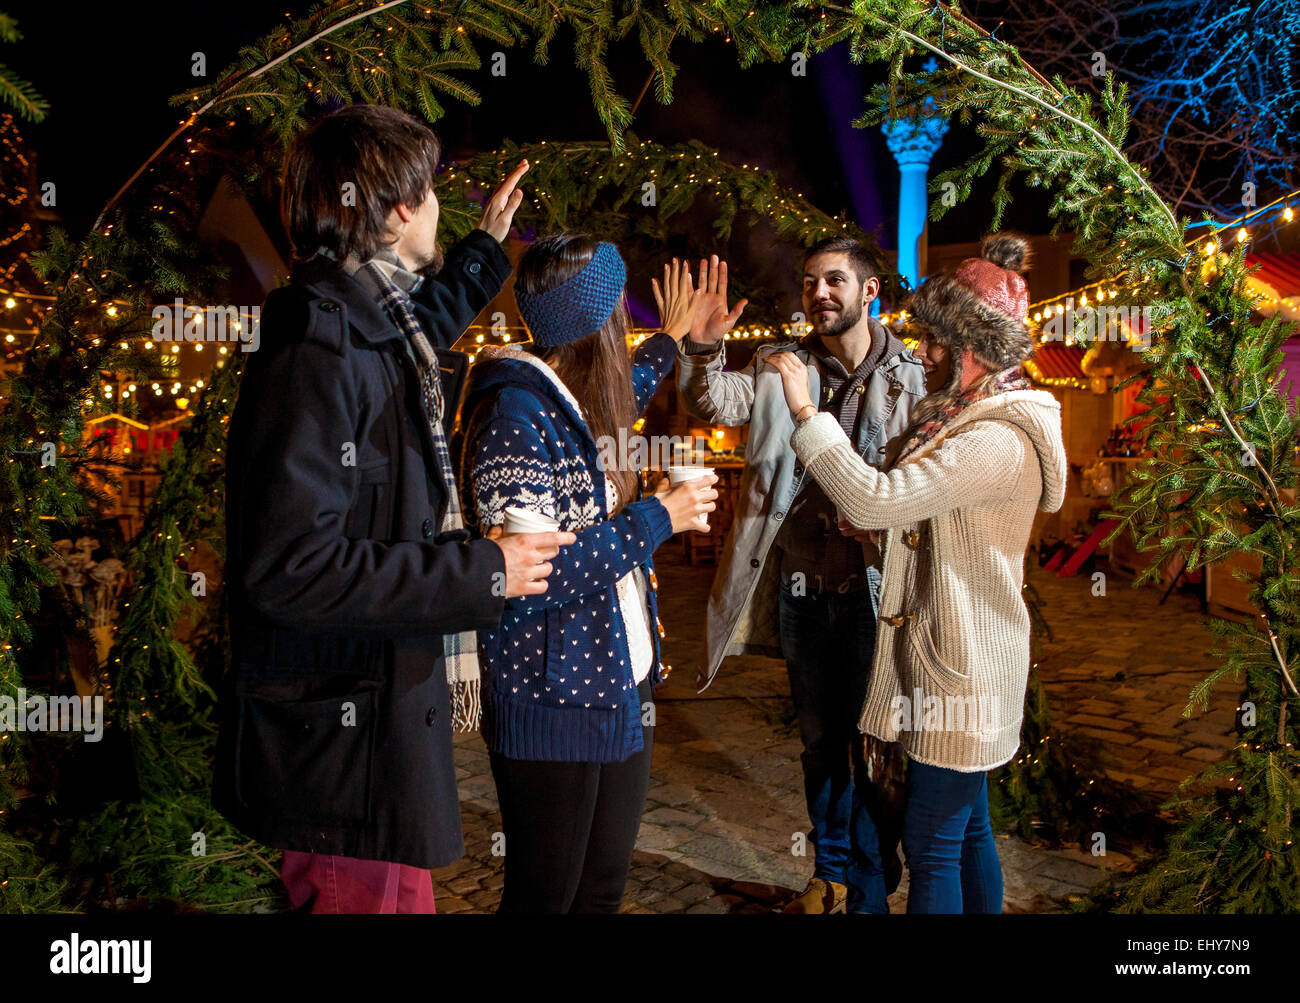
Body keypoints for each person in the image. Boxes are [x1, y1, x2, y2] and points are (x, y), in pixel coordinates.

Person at [214, 103, 576, 914]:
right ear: (401, 206)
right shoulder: (314, 346)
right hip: (341, 764)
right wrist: (482, 569)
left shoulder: (365, 321)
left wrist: (485, 245)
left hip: (374, 741)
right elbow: (289, 570)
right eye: (435, 189)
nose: (441, 205)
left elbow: (417, 327)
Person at [765, 232, 1067, 913]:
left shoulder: (992, 436)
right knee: (969, 833)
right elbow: (926, 520)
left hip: (960, 671)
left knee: (934, 842)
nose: (923, 354)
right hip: (963, 664)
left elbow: (876, 493)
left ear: (971, 348)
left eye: (935, 341)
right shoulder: (963, 419)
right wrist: (886, 529)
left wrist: (807, 413)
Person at [459, 235, 719, 913]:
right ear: (596, 327)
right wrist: (659, 517)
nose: (625, 331)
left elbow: (623, 388)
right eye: (620, 318)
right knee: (547, 897)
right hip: (552, 700)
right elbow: (526, 577)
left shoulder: (573, 404)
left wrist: (671, 339)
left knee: (600, 890)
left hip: (617, 683)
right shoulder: (513, 417)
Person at [675, 241, 927, 914]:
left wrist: (884, 519)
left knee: (877, 746)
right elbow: (715, 402)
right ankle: (831, 874)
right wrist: (701, 351)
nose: (819, 291)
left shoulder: (911, 376)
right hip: (804, 597)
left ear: (870, 290)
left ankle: (872, 883)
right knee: (821, 746)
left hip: (877, 598)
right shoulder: (782, 364)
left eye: (835, 280)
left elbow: (923, 485)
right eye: (811, 280)